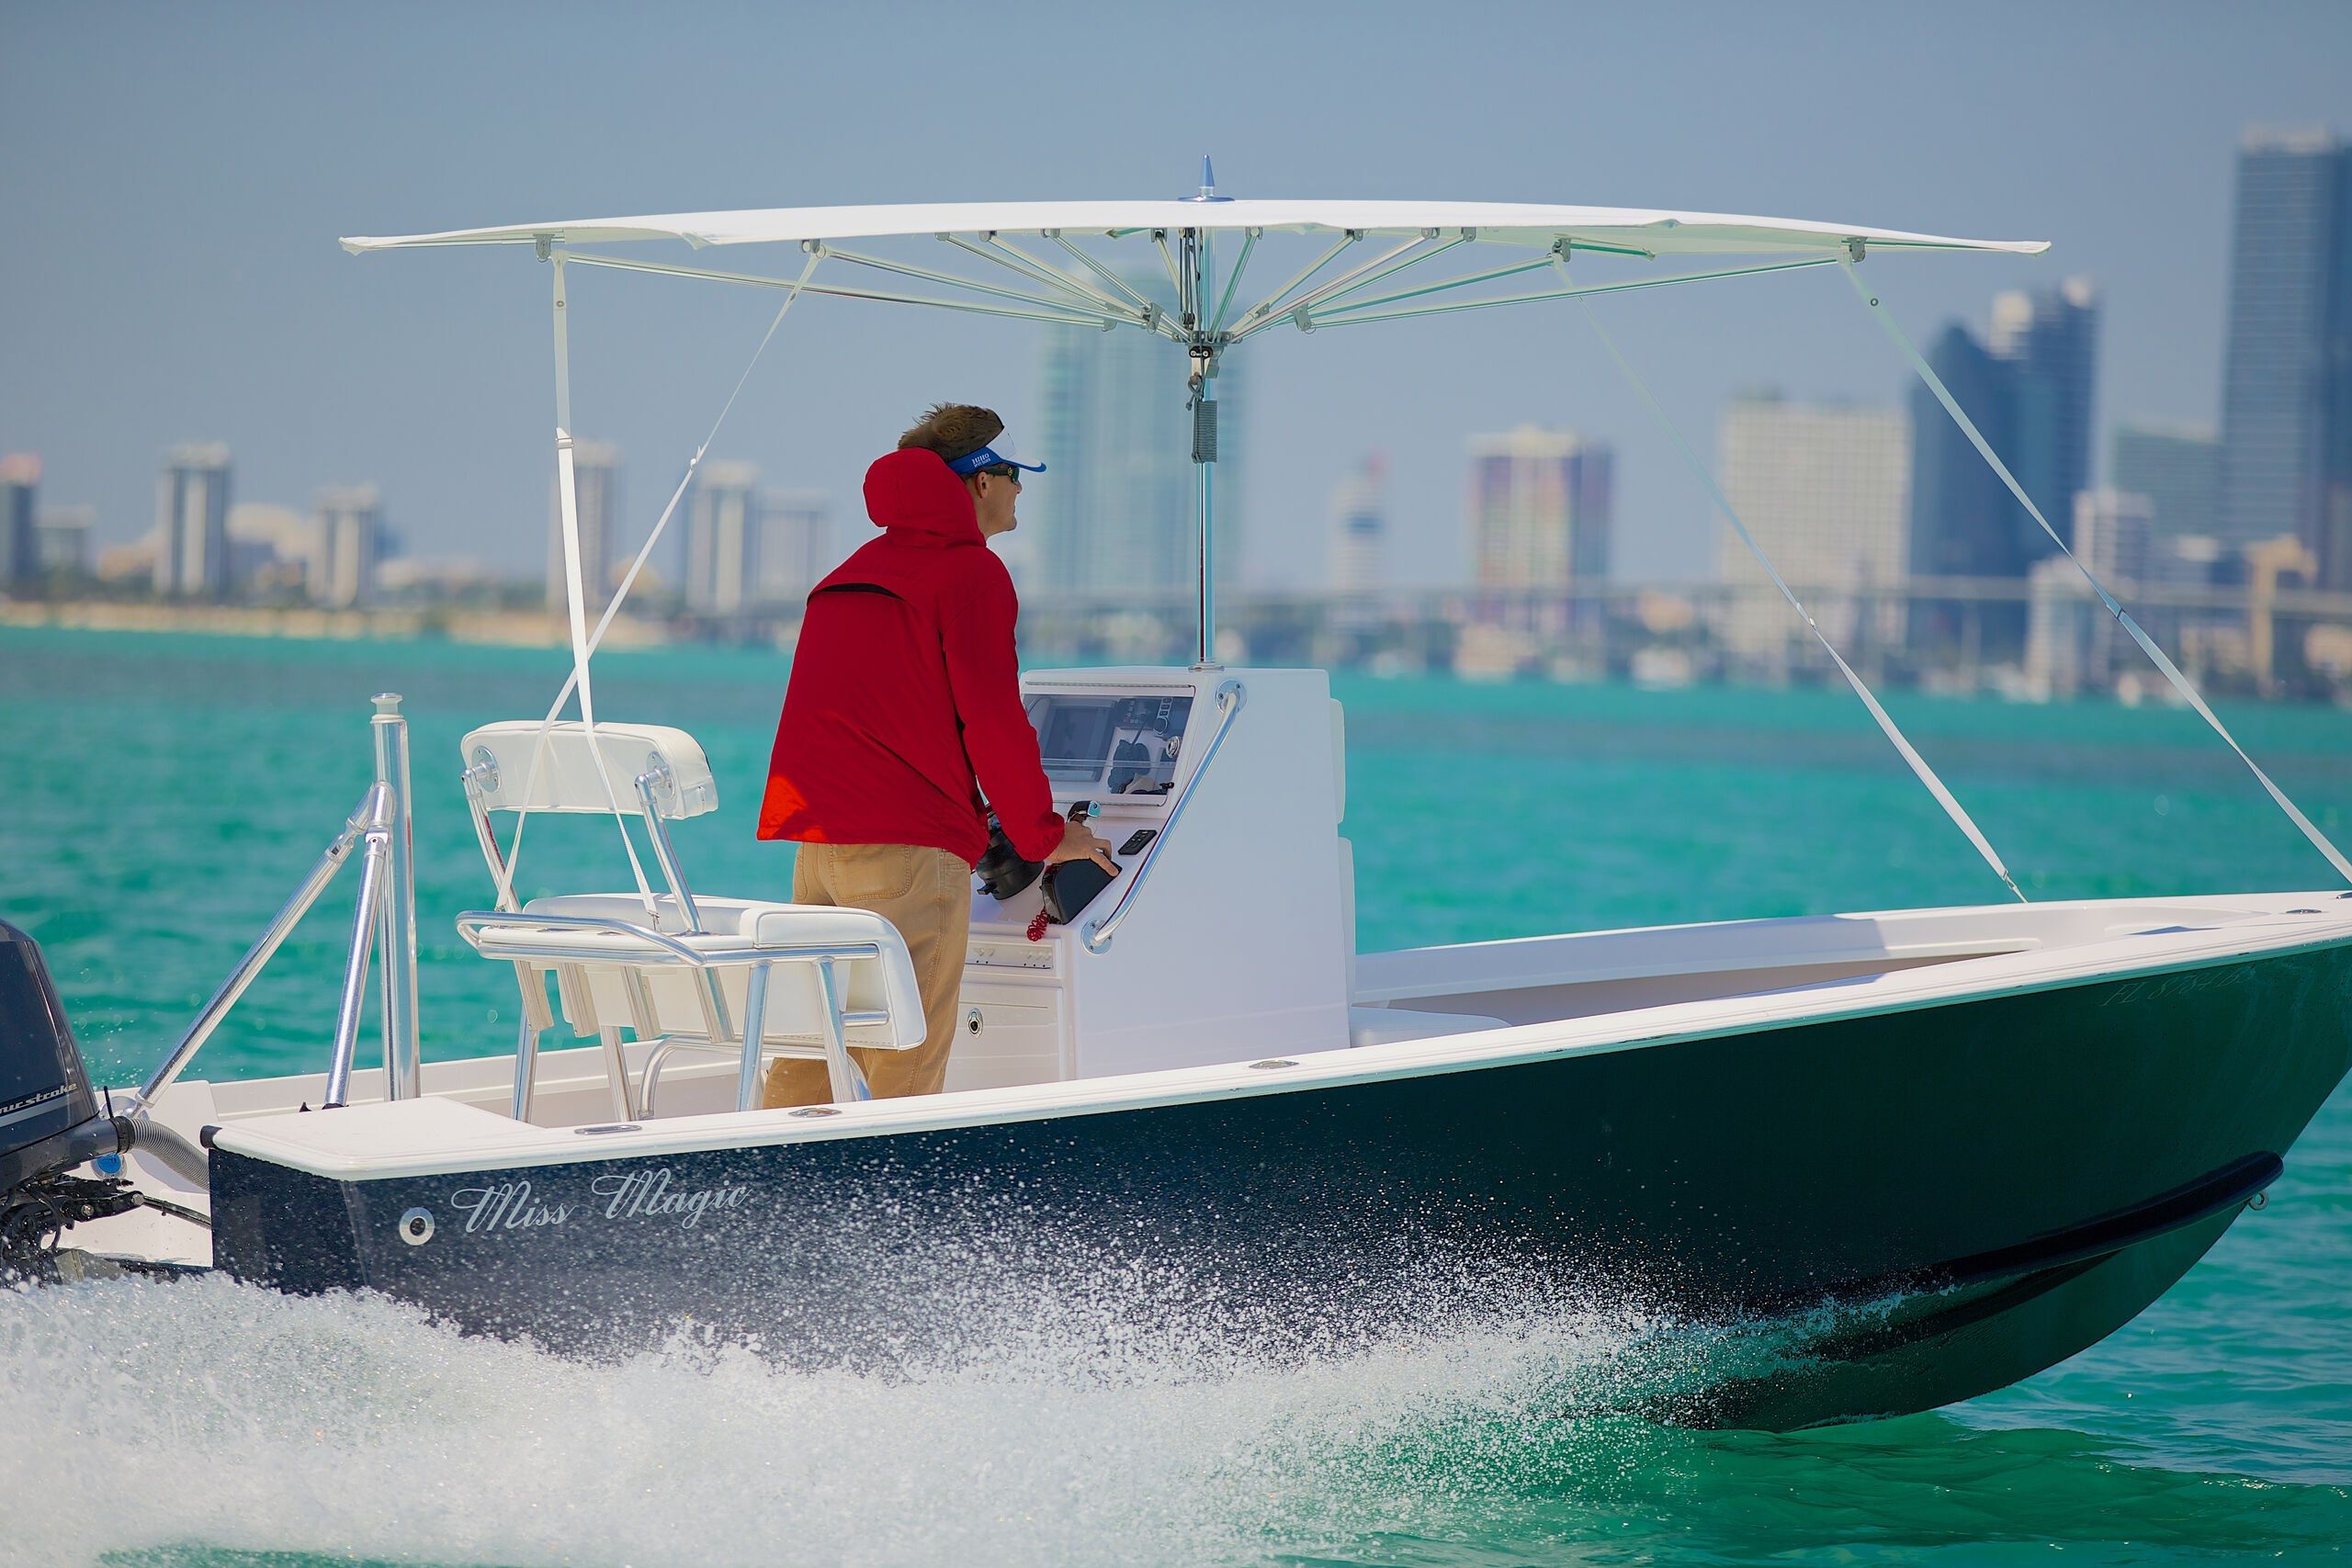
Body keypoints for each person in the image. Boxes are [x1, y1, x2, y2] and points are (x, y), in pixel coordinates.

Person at [755, 403, 1118, 1107]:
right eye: (1013, 474)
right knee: (906, 1072)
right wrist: (1046, 835)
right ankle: (903, 1219)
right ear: (981, 481)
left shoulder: (849, 572)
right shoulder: (971, 575)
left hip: (818, 851)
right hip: (909, 856)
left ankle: (782, 1204)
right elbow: (994, 723)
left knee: (808, 1058)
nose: (1021, 490)